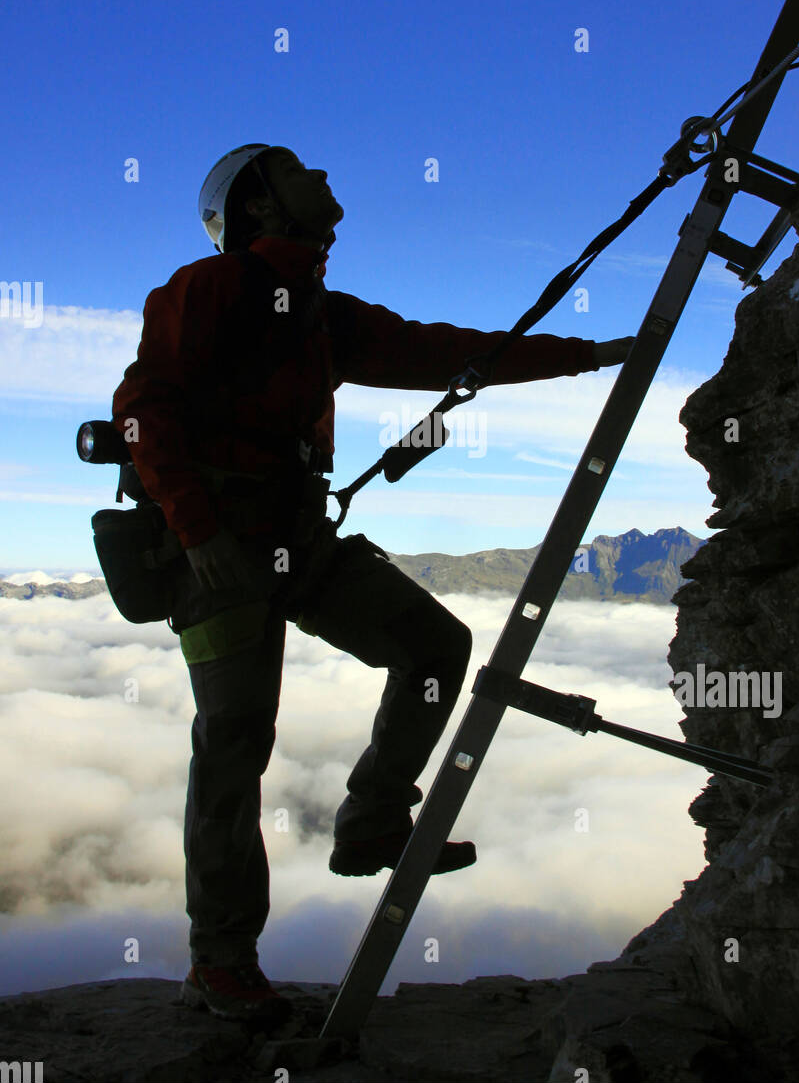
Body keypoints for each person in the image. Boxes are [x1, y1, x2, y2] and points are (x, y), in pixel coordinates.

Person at [111, 143, 634, 1024]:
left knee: (437, 646)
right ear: (260, 208)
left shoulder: (321, 313)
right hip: (217, 554)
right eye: (293, 169)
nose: (320, 175)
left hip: (295, 541)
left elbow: (446, 353)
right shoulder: (207, 291)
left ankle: (372, 821)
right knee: (235, 742)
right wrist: (196, 531)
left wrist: (583, 355)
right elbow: (142, 409)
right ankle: (221, 960)